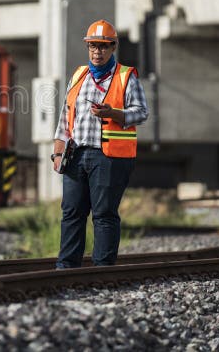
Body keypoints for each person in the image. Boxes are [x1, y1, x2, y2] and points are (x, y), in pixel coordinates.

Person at [51, 19, 149, 268]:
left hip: (109, 157)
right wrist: (57, 151)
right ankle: (66, 267)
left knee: (104, 214)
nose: (97, 51)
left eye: (103, 46)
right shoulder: (79, 75)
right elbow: (66, 114)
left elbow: (141, 112)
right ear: (88, 47)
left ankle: (102, 269)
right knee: (72, 212)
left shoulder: (126, 77)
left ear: (113, 47)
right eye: (93, 46)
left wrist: (113, 113)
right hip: (75, 155)